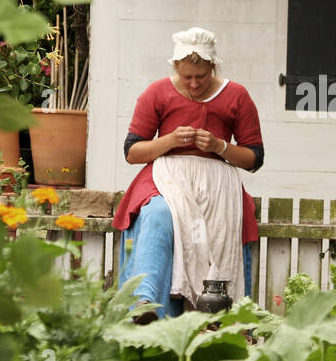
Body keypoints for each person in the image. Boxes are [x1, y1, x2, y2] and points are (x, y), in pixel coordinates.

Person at [113, 28, 264, 321]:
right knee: (157, 215)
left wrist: (220, 146)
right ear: (175, 69)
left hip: (217, 184)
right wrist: (169, 141)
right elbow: (132, 152)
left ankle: (213, 316)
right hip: (166, 178)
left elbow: (254, 158)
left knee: (218, 230)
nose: (194, 84)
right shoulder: (156, 92)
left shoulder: (236, 95)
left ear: (213, 67)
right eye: (187, 77)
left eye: (202, 76)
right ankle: (144, 302)